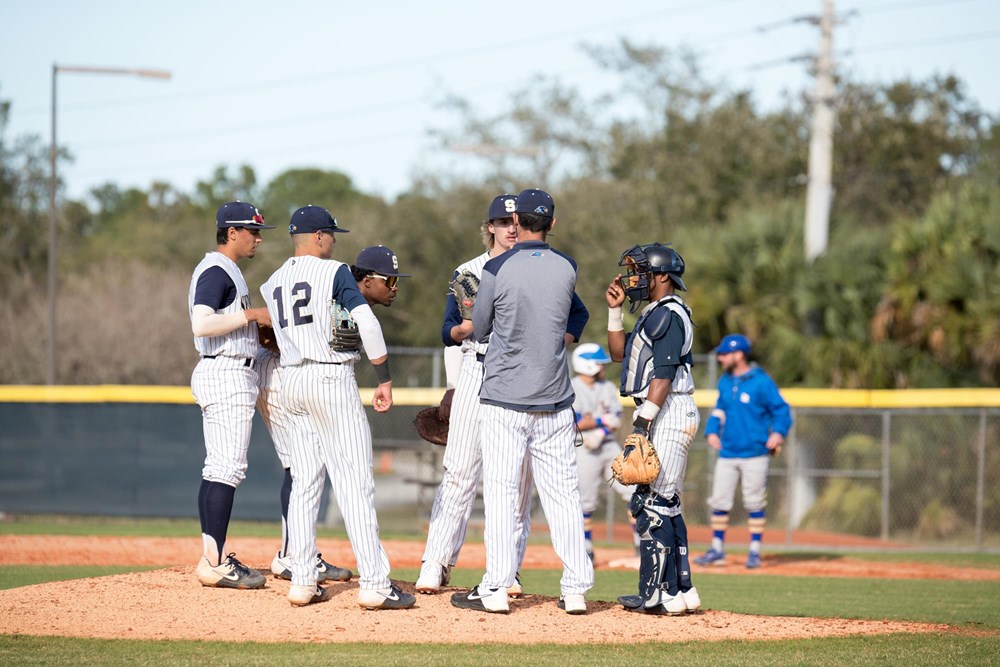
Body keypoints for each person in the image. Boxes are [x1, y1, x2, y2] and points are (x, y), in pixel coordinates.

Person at [260, 205, 415, 609]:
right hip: (329, 378)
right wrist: (384, 377)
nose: (334, 240)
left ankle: (302, 581)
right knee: (355, 483)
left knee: (304, 482)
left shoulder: (273, 280)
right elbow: (367, 321)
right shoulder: (335, 271)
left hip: (290, 379)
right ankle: (376, 585)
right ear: (317, 237)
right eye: (331, 233)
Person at [451, 188, 593, 615]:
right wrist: (556, 340)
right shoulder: (568, 266)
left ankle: (495, 588)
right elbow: (567, 320)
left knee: (501, 491)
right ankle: (575, 590)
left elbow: (479, 328)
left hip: (504, 397)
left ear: (517, 224)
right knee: (563, 495)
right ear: (551, 223)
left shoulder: (496, 266)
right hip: (554, 397)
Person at [415, 194, 544, 598]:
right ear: (489, 227)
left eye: (515, 221)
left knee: (516, 479)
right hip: (476, 367)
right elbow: (446, 332)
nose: (510, 227)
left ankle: (508, 571)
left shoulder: (539, 267)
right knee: (458, 470)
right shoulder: (468, 270)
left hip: (522, 372)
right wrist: (461, 338)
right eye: (501, 221)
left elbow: (573, 314)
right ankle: (435, 562)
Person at [605, 242, 701, 615]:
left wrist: (644, 421)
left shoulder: (670, 313)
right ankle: (682, 590)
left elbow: (664, 373)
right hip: (666, 409)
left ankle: (659, 593)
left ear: (661, 276)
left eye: (641, 271)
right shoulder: (656, 312)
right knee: (668, 503)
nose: (634, 278)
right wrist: (614, 313)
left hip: (667, 410)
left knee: (653, 504)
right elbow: (619, 354)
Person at [188, 201, 274, 589]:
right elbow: (202, 323)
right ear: (231, 233)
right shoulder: (216, 269)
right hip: (225, 371)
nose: (257, 238)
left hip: (231, 369)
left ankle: (213, 556)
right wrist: (252, 316)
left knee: (219, 468)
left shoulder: (229, 271)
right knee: (226, 469)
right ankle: (213, 561)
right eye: (252, 231)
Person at [694, 334, 792, 569]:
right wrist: (711, 430)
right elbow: (720, 409)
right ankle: (717, 549)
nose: (720, 357)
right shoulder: (725, 381)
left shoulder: (761, 381)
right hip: (728, 452)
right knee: (719, 501)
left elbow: (781, 410)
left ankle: (754, 552)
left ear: (739, 355)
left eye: (725, 353)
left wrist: (778, 432)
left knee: (754, 502)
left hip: (755, 453)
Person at [569, 343, 633, 563]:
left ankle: (640, 541)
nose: (602, 367)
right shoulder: (572, 386)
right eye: (598, 363)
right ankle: (586, 546)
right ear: (587, 365)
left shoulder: (606, 387)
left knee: (632, 490)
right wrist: (598, 422)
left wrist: (599, 428)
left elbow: (615, 419)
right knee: (585, 500)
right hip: (584, 447)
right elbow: (573, 421)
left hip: (607, 444)